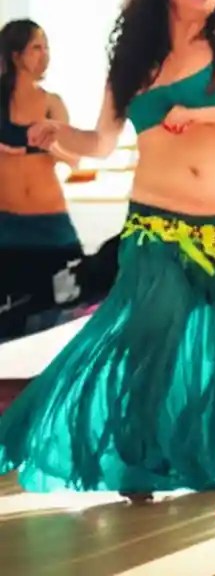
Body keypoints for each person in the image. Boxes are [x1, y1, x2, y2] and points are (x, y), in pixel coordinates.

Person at [0, 0, 215, 501]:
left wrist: (202, 113)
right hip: (158, 222)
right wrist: (55, 135)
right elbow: (101, 142)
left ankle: (212, 458)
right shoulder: (133, 65)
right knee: (151, 334)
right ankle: (140, 456)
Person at [0, 19, 118, 346]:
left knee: (66, 307)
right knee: (9, 322)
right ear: (15, 54)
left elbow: (72, 158)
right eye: (37, 47)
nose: (45, 55)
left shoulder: (52, 102)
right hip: (6, 226)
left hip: (50, 224)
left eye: (47, 47)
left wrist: (48, 141)